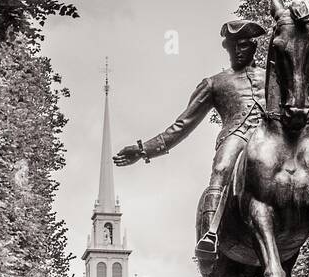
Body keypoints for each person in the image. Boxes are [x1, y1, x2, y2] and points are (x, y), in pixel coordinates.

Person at [113, 18, 267, 260]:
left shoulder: (273, 78)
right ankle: (211, 235)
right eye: (231, 46)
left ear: (254, 47)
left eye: (243, 46)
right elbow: (182, 124)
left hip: (271, 136)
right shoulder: (215, 83)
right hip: (237, 135)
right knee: (222, 167)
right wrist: (144, 150)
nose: (237, 51)